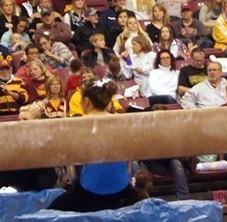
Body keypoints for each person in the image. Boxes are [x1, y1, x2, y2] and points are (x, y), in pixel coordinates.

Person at [50, 81, 151, 212]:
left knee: (53, 210)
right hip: (122, 191)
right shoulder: (124, 122)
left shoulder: (76, 125)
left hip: (90, 194)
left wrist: (76, 188)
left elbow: (72, 172)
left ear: (86, 101)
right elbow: (128, 163)